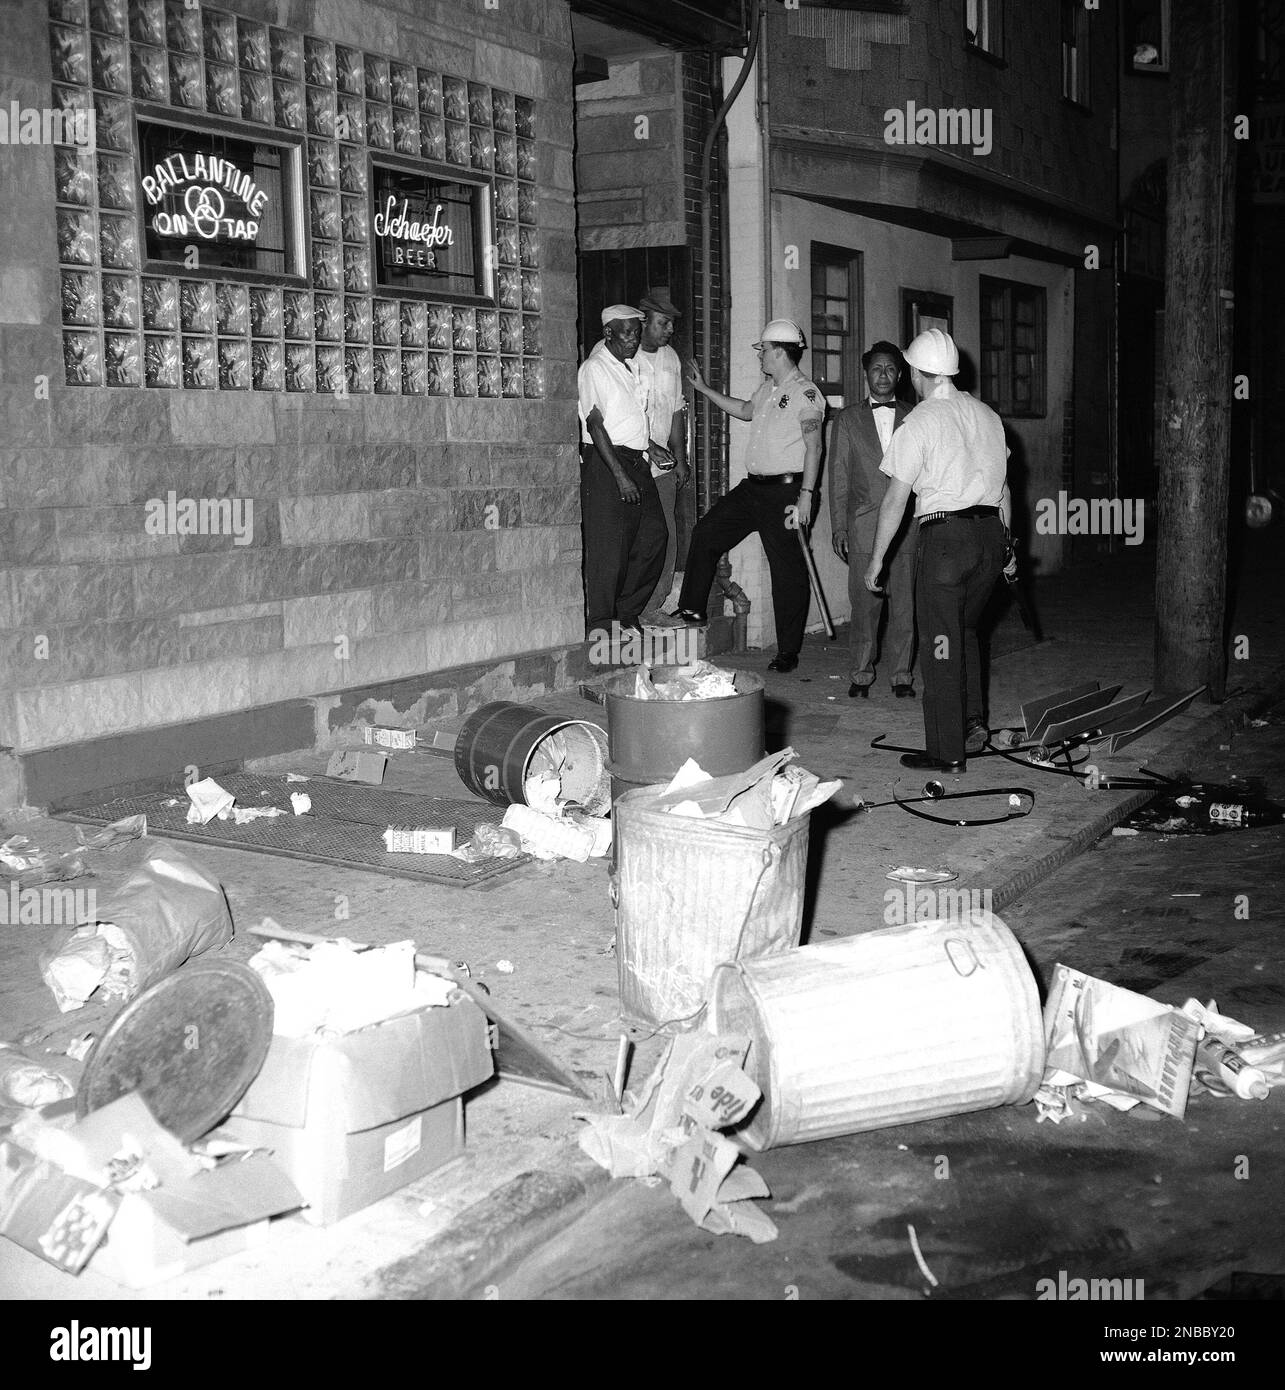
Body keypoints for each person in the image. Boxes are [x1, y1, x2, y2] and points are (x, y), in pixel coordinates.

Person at [863, 328, 1011, 772]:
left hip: (947, 540)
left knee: (939, 643)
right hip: (990, 537)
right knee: (964, 632)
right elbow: (1004, 489)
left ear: (915, 371)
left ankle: (946, 753)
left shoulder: (920, 421)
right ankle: (970, 724)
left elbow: (895, 499)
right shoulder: (988, 416)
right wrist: (1010, 546)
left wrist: (876, 561)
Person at [677, 319, 824, 673]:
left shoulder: (807, 393)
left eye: (763, 351)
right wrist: (705, 389)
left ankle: (788, 651)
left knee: (787, 572)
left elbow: (814, 446)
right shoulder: (768, 389)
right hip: (754, 489)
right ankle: (691, 609)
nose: (760, 357)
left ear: (779, 352)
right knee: (707, 532)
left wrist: (806, 496)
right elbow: (744, 410)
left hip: (788, 491)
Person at [577, 306, 672, 640]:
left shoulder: (628, 368)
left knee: (653, 536)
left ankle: (626, 611)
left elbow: (626, 418)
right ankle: (602, 628)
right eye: (627, 333)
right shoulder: (594, 368)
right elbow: (595, 423)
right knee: (609, 549)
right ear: (608, 333)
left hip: (635, 459)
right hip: (607, 463)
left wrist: (649, 445)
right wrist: (619, 475)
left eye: (635, 332)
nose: (633, 339)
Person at [829, 340, 916, 699]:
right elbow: (838, 475)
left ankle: (902, 676)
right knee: (864, 606)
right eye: (877, 368)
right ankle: (861, 673)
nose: (883, 375)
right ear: (866, 374)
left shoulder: (915, 416)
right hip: (863, 526)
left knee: (905, 606)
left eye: (891, 368)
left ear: (900, 374)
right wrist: (839, 526)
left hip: (908, 527)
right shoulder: (848, 418)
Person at [631, 292, 690, 614]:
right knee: (637, 538)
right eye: (663, 322)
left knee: (666, 535)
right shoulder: (624, 355)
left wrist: (680, 457)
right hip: (631, 464)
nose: (669, 329)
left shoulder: (671, 359)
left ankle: (654, 607)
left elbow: (676, 410)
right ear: (644, 319)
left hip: (664, 464)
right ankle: (629, 610)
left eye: (671, 324)